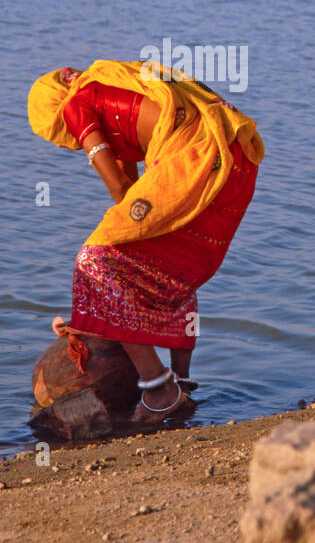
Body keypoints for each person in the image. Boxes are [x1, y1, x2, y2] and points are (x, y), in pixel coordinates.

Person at [28, 61, 263, 424]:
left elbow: (120, 189)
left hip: (194, 159)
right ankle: (182, 383)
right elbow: (131, 210)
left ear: (55, 112)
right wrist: (88, 322)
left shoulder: (76, 103)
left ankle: (158, 388)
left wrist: (92, 306)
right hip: (234, 158)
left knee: (94, 262)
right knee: (167, 259)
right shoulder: (117, 87)